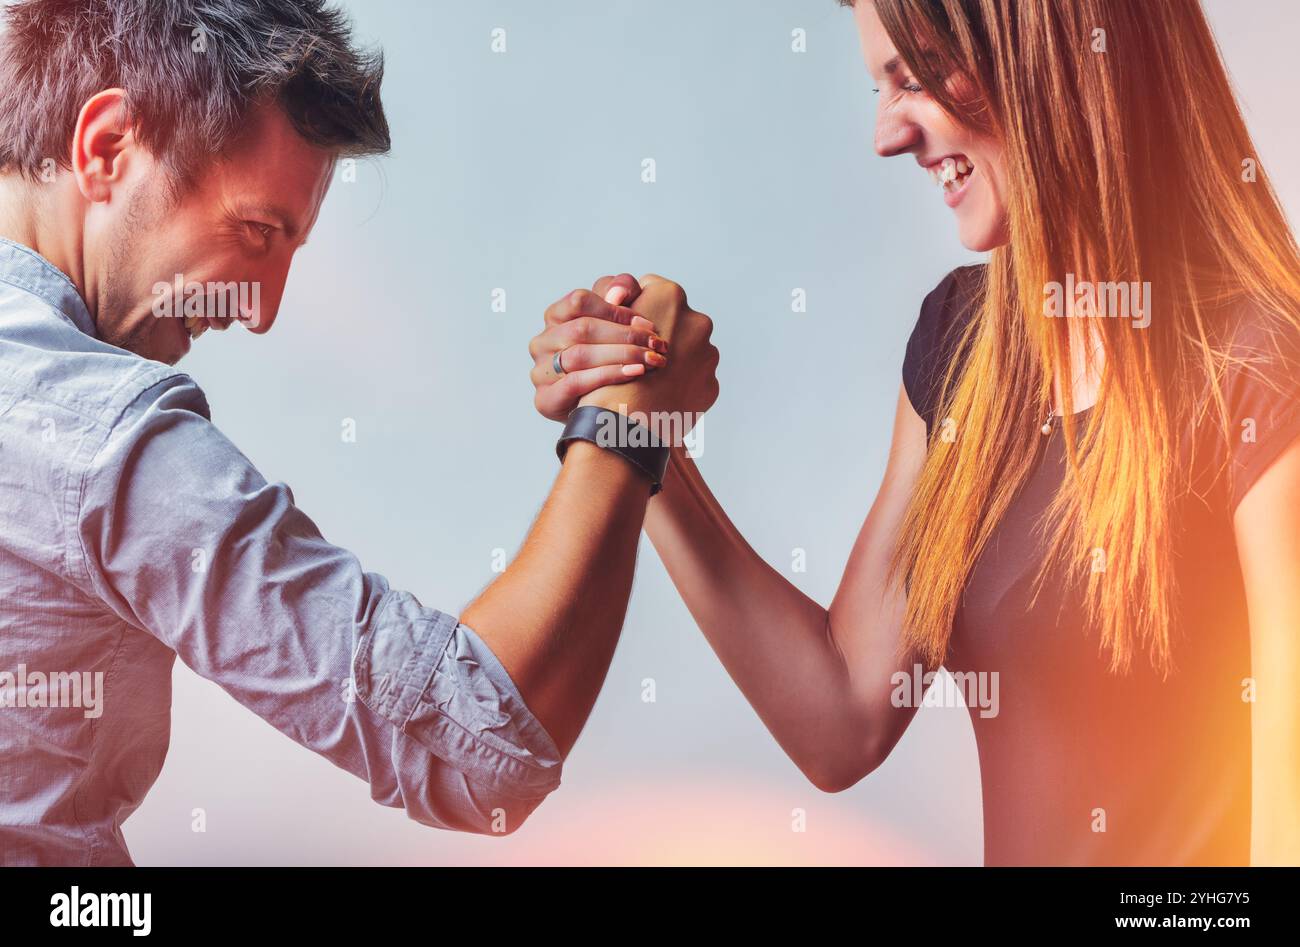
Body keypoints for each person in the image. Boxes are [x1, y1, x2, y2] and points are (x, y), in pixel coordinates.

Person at [532, 0, 1300, 865]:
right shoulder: (962, 345)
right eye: (878, 86)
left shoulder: (1267, 363)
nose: (887, 135)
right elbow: (844, 719)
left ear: (1049, 44)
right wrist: (638, 431)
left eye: (920, 74)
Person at [0, 0, 717, 865]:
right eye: (257, 232)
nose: (261, 311)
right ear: (107, 147)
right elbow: (481, 754)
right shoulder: (92, 431)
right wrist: (625, 423)